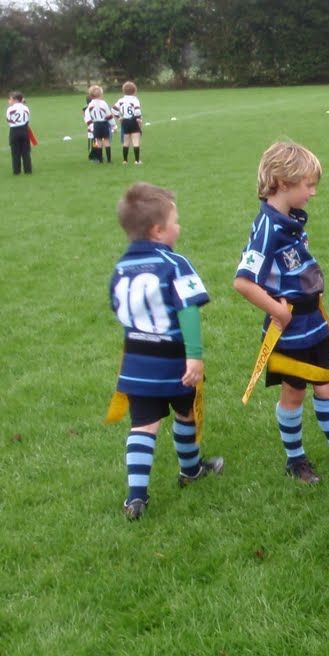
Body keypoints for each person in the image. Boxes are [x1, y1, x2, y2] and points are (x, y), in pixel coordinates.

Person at [233, 140, 329, 484]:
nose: (313, 193)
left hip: (313, 322)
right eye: (308, 185)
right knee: (294, 392)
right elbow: (243, 281)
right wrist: (278, 311)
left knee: (327, 385)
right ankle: (295, 460)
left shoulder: (289, 220)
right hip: (291, 329)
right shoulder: (268, 228)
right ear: (282, 183)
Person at [109, 182, 223, 520]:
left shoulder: (120, 268)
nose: (179, 227)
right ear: (158, 231)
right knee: (185, 413)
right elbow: (188, 310)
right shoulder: (174, 263)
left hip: (135, 361)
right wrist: (195, 355)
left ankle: (135, 497)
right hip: (174, 360)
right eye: (175, 221)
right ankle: (191, 470)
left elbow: (117, 307)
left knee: (143, 425)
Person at [114, 82, 144, 164]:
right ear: (135, 91)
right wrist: (139, 119)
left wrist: (119, 118)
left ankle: (125, 160)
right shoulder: (135, 100)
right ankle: (137, 160)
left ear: (123, 91)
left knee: (126, 141)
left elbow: (114, 109)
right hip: (133, 121)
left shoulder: (121, 100)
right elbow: (137, 111)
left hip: (125, 122)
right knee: (136, 141)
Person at [6, 92, 34, 175]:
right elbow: (27, 118)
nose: (8, 101)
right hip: (24, 129)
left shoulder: (10, 109)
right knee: (26, 151)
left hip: (14, 130)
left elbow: (8, 119)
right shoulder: (26, 108)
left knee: (15, 152)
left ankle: (16, 171)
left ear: (14, 99)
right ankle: (28, 170)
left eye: (10, 99)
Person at [84, 85, 114, 163]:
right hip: (104, 124)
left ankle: (100, 160)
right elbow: (109, 115)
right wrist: (113, 125)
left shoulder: (90, 105)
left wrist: (91, 127)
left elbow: (87, 117)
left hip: (96, 125)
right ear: (101, 94)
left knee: (99, 141)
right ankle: (109, 160)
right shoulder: (103, 103)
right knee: (107, 141)